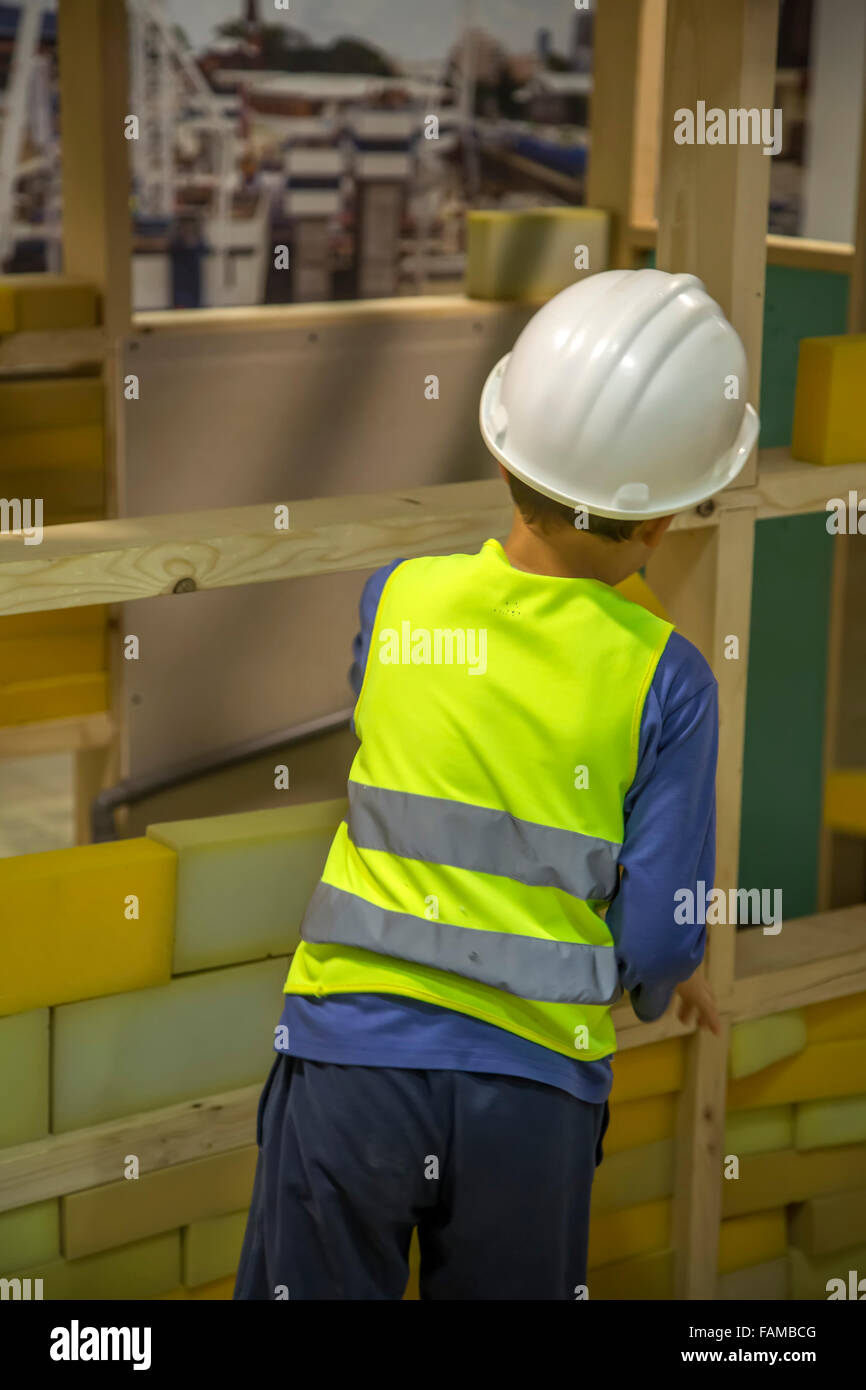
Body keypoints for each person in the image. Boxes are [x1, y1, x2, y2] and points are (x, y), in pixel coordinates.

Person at [234, 268, 759, 1301]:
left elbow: (405, 747)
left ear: (503, 450)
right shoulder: (667, 677)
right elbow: (654, 936)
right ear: (659, 522)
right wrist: (664, 975)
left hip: (349, 1055)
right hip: (527, 1093)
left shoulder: (399, 597)